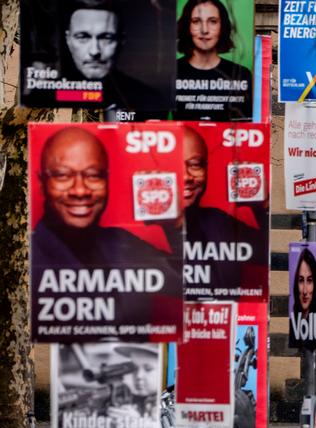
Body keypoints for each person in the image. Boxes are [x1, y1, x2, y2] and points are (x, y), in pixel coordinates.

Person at [32, 127, 172, 267]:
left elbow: (181, 277)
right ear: (41, 183)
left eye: (93, 175)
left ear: (107, 180)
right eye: (63, 175)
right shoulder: (28, 257)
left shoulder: (119, 241)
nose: (80, 191)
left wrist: (172, 223)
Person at [175, 125, 268, 292]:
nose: (186, 176)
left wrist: (263, 204)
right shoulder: (129, 238)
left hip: (223, 316)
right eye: (174, 164)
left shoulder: (218, 222)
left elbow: (268, 254)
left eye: (195, 165)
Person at [61, 0, 164, 113]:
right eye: (83, 37)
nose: (95, 51)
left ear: (121, 41)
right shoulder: (45, 96)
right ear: (68, 40)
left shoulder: (148, 99)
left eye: (106, 38)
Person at [176, 0, 253, 121]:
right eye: (196, 21)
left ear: (222, 26)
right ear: (187, 26)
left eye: (213, 21)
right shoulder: (171, 73)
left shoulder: (242, 75)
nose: (204, 30)